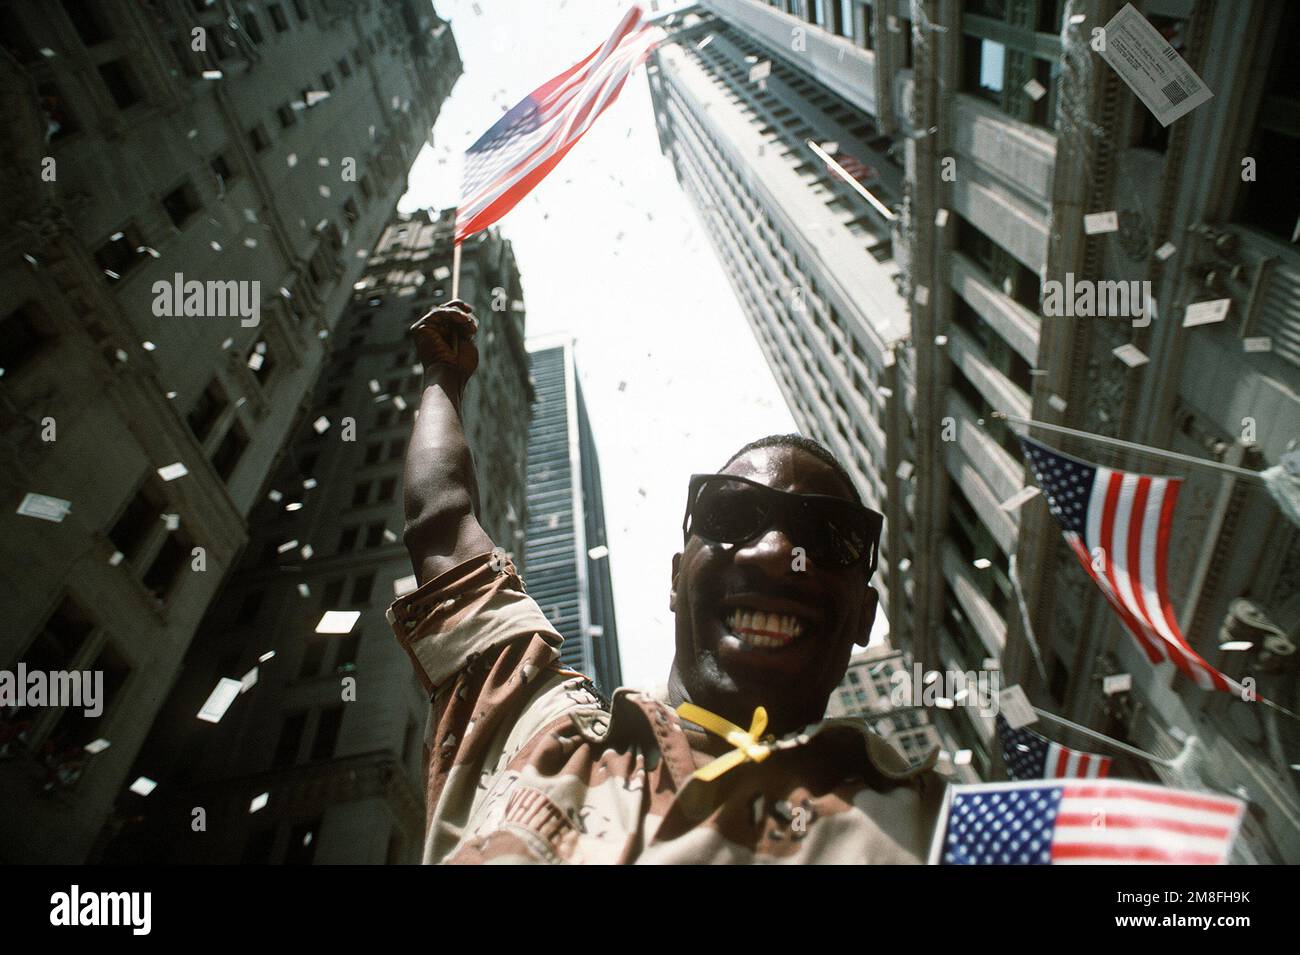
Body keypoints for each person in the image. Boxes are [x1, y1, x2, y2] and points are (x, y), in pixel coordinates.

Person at [390, 300, 944, 864]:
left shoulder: (945, 831)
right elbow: (443, 528)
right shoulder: (537, 732)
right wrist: (443, 377)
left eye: (828, 537)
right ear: (677, 580)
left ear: (865, 615)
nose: (777, 555)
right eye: (730, 516)